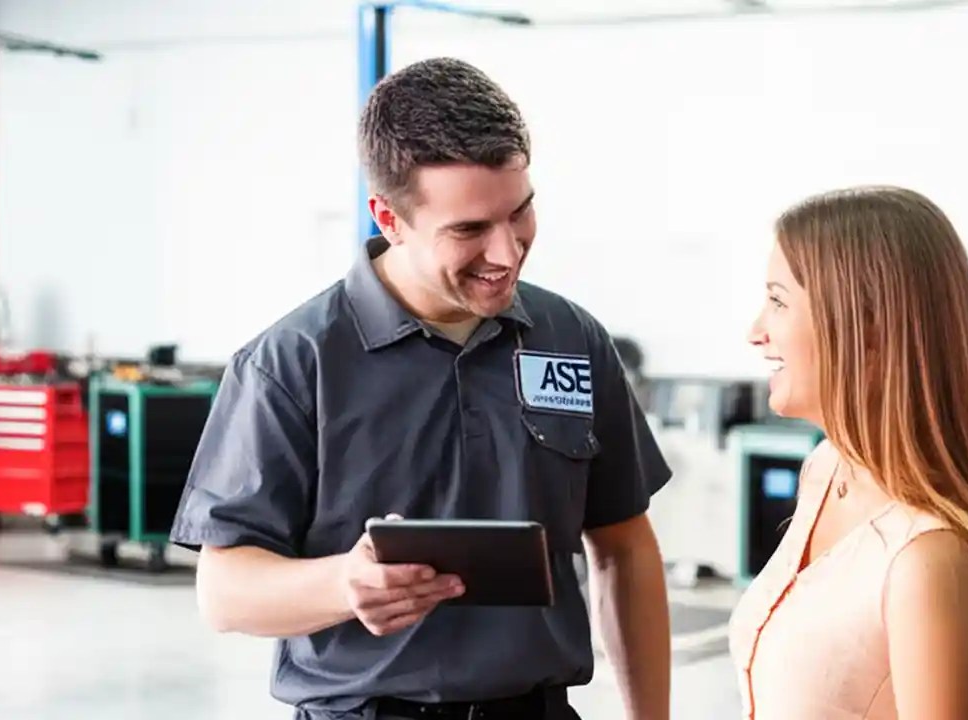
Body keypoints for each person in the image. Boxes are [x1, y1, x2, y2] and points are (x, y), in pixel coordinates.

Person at [170, 57, 673, 720]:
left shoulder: (570, 338)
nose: (507, 252)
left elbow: (625, 547)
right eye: (468, 230)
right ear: (389, 218)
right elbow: (225, 592)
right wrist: (343, 584)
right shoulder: (292, 364)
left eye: (519, 213)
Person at [730, 186, 968, 719]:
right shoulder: (826, 470)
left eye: (777, 301)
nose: (756, 331)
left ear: (866, 327)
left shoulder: (928, 560)